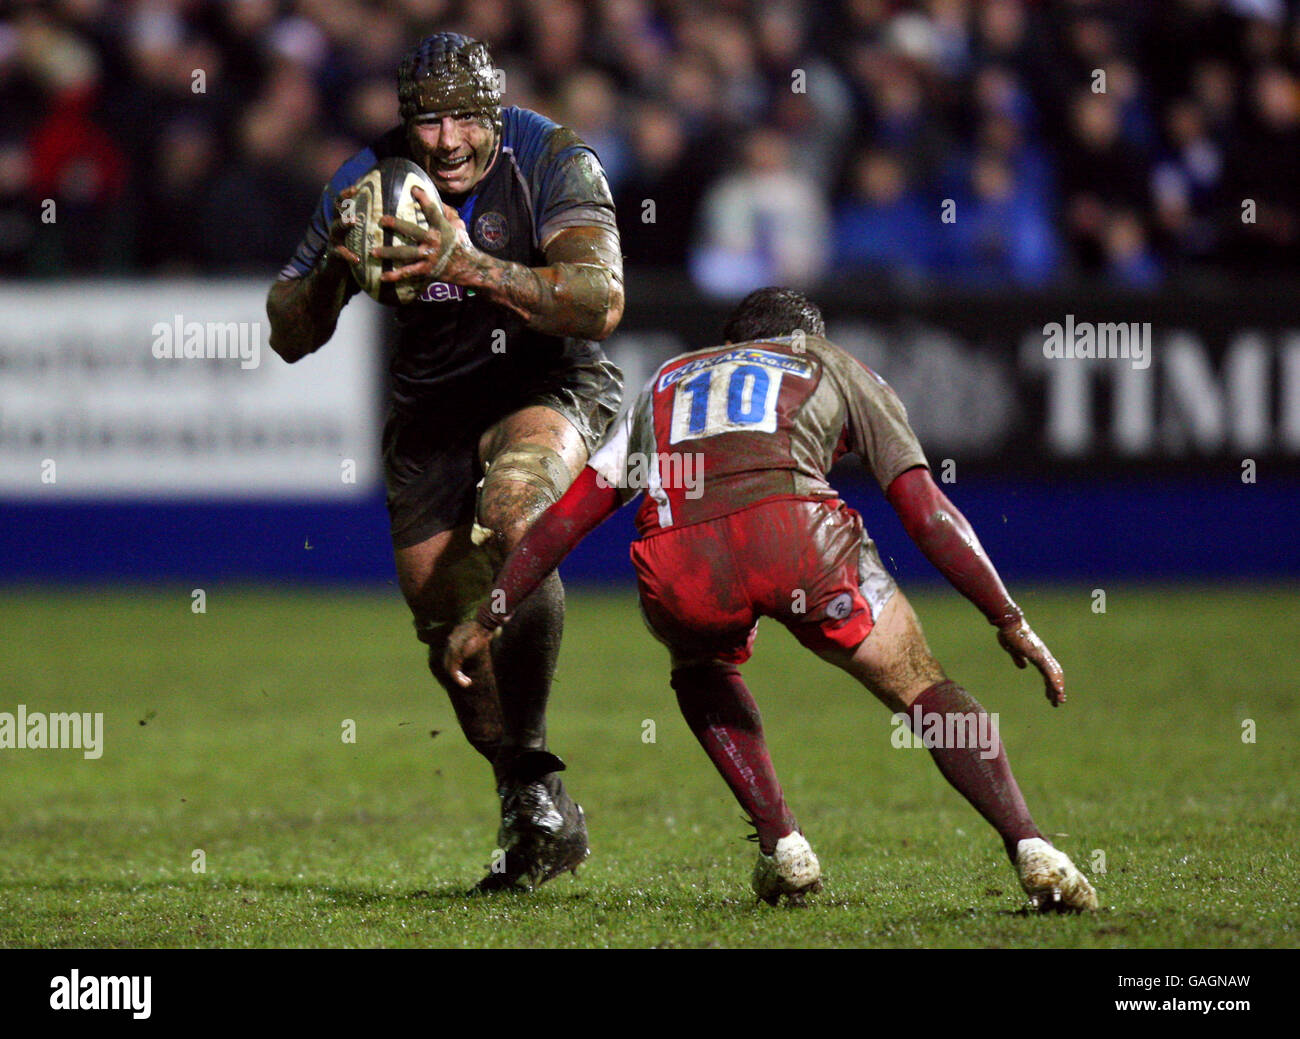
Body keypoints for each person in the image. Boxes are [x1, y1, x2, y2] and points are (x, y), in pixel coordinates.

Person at [445, 287, 1099, 911]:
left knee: (700, 668)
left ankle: (783, 843)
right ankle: (1030, 845)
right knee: (921, 687)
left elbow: (568, 516)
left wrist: (489, 613)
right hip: (800, 537)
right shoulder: (831, 362)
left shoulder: (669, 378)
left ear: (729, 342)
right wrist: (1006, 617)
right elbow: (925, 509)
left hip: (683, 561)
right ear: (806, 336)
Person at [265, 33, 625, 892]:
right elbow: (285, 329)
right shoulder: (368, 178)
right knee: (447, 633)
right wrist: (331, 280)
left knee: (515, 511)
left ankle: (533, 772)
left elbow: (599, 299)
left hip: (545, 381)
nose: (447, 139)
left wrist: (472, 265)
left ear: (495, 113)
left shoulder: (555, 157)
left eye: (465, 116)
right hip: (431, 411)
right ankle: (531, 804)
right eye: (427, 119)